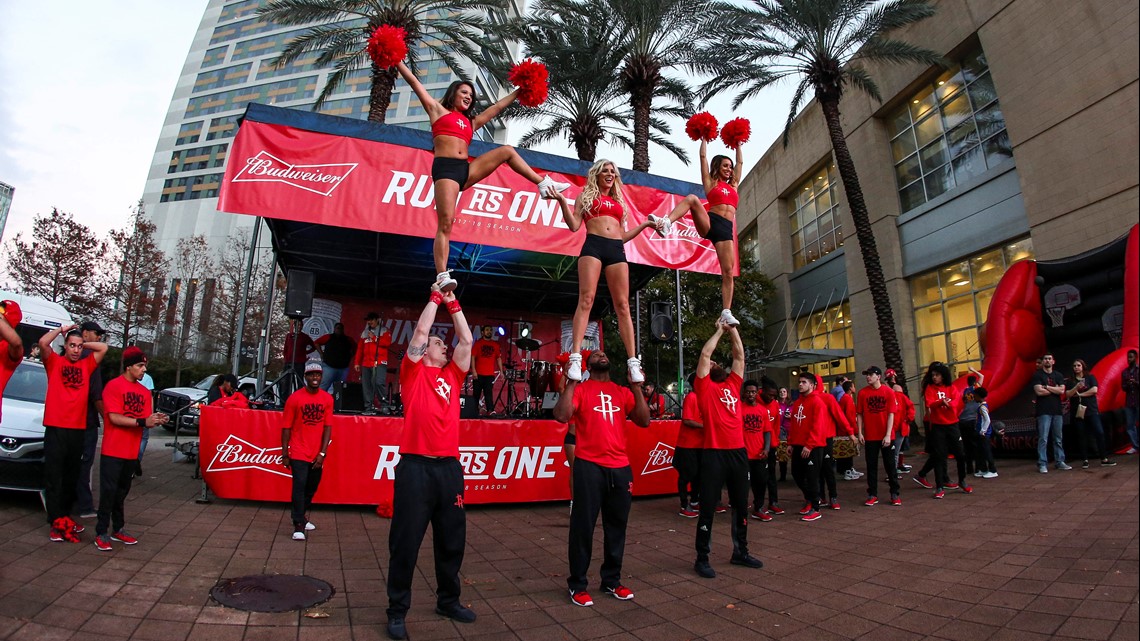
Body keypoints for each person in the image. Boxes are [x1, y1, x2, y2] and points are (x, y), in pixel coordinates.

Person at [396, 61, 569, 292]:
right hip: (446, 169)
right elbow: (414, 82)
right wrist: (397, 60)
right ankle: (442, 274)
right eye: (464, 92)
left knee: (507, 151)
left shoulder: (471, 122)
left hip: (465, 169)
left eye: (471, 95)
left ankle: (543, 184)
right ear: (453, 94)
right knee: (446, 222)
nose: (468, 97)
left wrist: (522, 89)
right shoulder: (436, 110)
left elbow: (497, 107)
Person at [385, 285, 474, 641]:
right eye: (439, 344)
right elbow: (421, 332)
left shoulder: (453, 375)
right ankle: (396, 611)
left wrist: (453, 302)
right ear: (424, 353)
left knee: (452, 541)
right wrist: (436, 297)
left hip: (448, 469)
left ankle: (448, 601)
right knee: (405, 543)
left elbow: (466, 339)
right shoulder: (413, 372)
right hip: (415, 468)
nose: (444, 345)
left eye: (443, 343)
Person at [553, 350, 649, 607]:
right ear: (588, 364)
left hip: (620, 467)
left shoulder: (621, 391)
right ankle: (577, 584)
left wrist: (636, 387)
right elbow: (561, 415)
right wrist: (571, 381)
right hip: (589, 466)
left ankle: (611, 580)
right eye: (595, 354)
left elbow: (644, 420)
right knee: (583, 527)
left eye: (604, 353)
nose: (601, 355)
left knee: (616, 527)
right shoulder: (581, 389)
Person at [550, 160, 655, 384]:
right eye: (605, 171)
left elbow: (622, 236)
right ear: (596, 175)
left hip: (616, 248)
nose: (609, 174)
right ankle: (576, 357)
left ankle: (633, 362)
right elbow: (574, 225)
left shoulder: (618, 202)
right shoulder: (585, 197)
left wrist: (645, 225)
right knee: (586, 299)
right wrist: (561, 201)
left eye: (612, 172)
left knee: (623, 305)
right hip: (593, 246)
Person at [691, 319, 763, 578]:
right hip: (714, 453)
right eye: (711, 364)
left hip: (738, 453)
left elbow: (739, 356)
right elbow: (705, 354)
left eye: (715, 363)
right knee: (708, 506)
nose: (713, 363)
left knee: (741, 505)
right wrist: (719, 330)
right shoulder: (704, 388)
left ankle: (740, 552)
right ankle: (702, 558)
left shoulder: (733, 384)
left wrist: (733, 329)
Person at [655, 139, 745, 326]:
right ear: (717, 167)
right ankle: (666, 222)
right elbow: (703, 157)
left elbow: (740, 162)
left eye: (730, 167)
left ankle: (726, 312)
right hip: (710, 223)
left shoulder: (734, 185)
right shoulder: (710, 183)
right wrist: (704, 137)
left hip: (725, 230)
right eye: (725, 166)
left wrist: (737, 144)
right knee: (692, 199)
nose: (729, 169)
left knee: (728, 272)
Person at [92, 347, 168, 551]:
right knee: (108, 492)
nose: (144, 369)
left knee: (121, 493)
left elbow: (146, 419)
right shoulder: (113, 386)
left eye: (144, 365)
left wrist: (157, 419)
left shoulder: (144, 392)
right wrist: (143, 421)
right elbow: (114, 418)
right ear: (128, 367)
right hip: (113, 450)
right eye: (140, 365)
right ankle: (101, 532)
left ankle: (118, 529)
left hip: (131, 452)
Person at [39, 325, 107, 542]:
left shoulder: (87, 365)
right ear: (65, 347)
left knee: (71, 478)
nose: (76, 350)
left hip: (77, 429)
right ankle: (54, 521)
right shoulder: (54, 363)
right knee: (54, 477)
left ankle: (64, 517)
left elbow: (103, 348)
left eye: (79, 347)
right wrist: (61, 330)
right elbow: (43, 343)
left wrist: (82, 342)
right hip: (56, 427)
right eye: (72, 346)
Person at [281, 361, 334, 541]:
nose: (315, 378)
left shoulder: (327, 399)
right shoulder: (294, 399)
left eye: (318, 374)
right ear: (305, 377)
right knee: (299, 486)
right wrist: (285, 453)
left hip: (316, 452)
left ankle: (301, 516)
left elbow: (327, 427)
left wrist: (322, 453)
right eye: (311, 375)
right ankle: (298, 524)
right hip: (298, 450)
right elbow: (286, 428)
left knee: (311, 488)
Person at [918, 362, 973, 498]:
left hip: (953, 425)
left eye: (937, 375)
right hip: (938, 426)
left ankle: (962, 480)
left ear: (943, 376)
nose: (934, 377)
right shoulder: (930, 388)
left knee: (960, 454)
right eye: (933, 375)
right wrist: (941, 402)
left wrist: (948, 404)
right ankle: (940, 486)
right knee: (939, 456)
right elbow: (930, 403)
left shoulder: (951, 387)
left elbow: (956, 401)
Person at [855, 366, 900, 507]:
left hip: (886, 435)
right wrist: (860, 432)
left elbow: (891, 414)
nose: (868, 377)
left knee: (890, 466)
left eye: (871, 374)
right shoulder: (862, 393)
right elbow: (859, 414)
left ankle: (895, 493)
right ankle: (872, 494)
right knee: (871, 466)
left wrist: (888, 434)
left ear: (878, 376)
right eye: (867, 375)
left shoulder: (888, 392)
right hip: (870, 436)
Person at [788, 373, 829, 522]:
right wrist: (791, 443)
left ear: (812, 385)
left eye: (804, 382)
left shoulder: (817, 402)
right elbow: (793, 425)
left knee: (812, 477)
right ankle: (810, 499)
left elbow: (818, 426)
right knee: (796, 473)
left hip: (813, 446)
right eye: (799, 382)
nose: (800, 384)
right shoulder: (797, 403)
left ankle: (816, 508)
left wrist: (809, 445)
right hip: (798, 445)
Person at [74, 322, 105, 513]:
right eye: (96, 333)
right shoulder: (89, 358)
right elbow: (96, 394)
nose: (99, 337)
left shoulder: (68, 357)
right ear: (85, 334)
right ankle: (83, 505)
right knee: (84, 463)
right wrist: (106, 418)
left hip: (71, 419)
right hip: (85, 420)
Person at [743, 377, 780, 522]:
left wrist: (766, 448)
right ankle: (741, 510)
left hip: (759, 455)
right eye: (748, 392)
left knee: (761, 483)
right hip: (743, 454)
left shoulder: (762, 410)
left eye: (753, 392)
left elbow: (767, 431)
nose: (751, 394)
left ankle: (758, 508)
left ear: (756, 392)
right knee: (743, 484)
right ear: (744, 393)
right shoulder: (738, 409)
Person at [1067, 359, 1116, 468]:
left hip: (1091, 410)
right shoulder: (1071, 381)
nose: (1076, 367)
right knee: (1081, 435)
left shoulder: (1090, 377)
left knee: (1099, 432)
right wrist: (1076, 387)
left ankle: (1104, 458)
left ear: (1083, 367)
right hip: (1078, 412)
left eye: (1078, 365)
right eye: (1074, 366)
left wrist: (1080, 395)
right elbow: (1068, 394)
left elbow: (1094, 390)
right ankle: (1085, 459)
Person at [1032, 353, 1070, 473]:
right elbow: (1039, 392)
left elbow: (1062, 390)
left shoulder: (1058, 375)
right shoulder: (1037, 375)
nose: (1047, 361)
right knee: (1043, 438)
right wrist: (1055, 389)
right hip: (1043, 411)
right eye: (1045, 359)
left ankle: (1060, 461)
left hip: (1057, 410)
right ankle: (1042, 463)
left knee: (1058, 438)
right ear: (1043, 361)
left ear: (1053, 361)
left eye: (1049, 359)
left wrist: (1047, 387)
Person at [673, 373, 703, 518]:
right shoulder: (691, 397)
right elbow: (687, 420)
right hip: (687, 445)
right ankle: (684, 505)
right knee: (686, 476)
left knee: (698, 475)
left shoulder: (705, 397)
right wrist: (706, 426)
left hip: (700, 445)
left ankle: (695, 501)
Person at [355, 312, 393, 415]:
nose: (369, 322)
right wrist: (357, 362)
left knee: (379, 382)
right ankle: (368, 407)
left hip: (379, 362)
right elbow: (360, 349)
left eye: (371, 319)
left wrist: (374, 338)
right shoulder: (365, 333)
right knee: (366, 386)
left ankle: (384, 405)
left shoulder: (384, 330)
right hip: (366, 363)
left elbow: (387, 343)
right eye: (368, 320)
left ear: (377, 320)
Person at [471, 325, 504, 415]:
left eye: (490, 330)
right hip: (478, 373)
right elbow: (473, 357)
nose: (489, 332)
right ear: (482, 332)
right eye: (487, 330)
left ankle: (490, 410)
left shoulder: (495, 345)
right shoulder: (478, 343)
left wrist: (501, 371)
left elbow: (498, 358)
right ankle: (474, 411)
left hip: (489, 374)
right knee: (476, 394)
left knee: (488, 394)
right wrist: (474, 370)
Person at [957, 368, 985, 475]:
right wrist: (974, 370)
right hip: (972, 420)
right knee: (976, 445)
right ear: (974, 382)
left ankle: (969, 468)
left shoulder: (965, 392)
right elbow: (982, 376)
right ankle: (978, 468)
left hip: (962, 420)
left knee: (966, 445)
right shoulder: (976, 389)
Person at [316, 322, 356, 393]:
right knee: (323, 387)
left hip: (343, 368)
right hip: (329, 367)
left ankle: (336, 400)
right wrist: (321, 354)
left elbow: (355, 347)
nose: (339, 330)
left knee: (340, 389)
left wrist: (350, 356)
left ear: (343, 330)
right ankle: (319, 400)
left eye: (341, 328)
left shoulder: (348, 339)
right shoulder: (328, 337)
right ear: (334, 329)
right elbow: (316, 343)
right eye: (338, 328)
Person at [837, 380, 860, 480]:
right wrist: (854, 430)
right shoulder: (847, 399)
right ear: (850, 388)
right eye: (853, 386)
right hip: (847, 430)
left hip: (844, 429)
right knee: (848, 450)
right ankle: (848, 470)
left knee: (846, 450)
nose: (854, 388)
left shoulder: (844, 398)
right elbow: (850, 417)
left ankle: (849, 469)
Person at [973, 387, 998, 478]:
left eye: (975, 396)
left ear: (979, 396)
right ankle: (983, 469)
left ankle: (993, 470)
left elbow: (987, 420)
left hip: (984, 434)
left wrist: (983, 431)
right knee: (982, 451)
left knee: (987, 452)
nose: (974, 398)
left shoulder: (982, 407)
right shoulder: (981, 406)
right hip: (981, 433)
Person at [1120, 349, 1138, 454]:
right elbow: (1123, 387)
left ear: (1135, 358)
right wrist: (1127, 384)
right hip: (1129, 401)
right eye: (1128, 357)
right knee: (1130, 425)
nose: (1129, 359)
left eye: (1131, 357)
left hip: (1138, 399)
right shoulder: (1124, 372)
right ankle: (1135, 446)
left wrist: (1135, 382)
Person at [776, 386, 792, 484]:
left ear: (787, 393)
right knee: (782, 452)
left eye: (784, 391)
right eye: (781, 391)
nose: (782, 393)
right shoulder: (776, 404)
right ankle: (783, 475)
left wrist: (791, 416)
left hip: (789, 430)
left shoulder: (792, 404)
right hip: (780, 430)